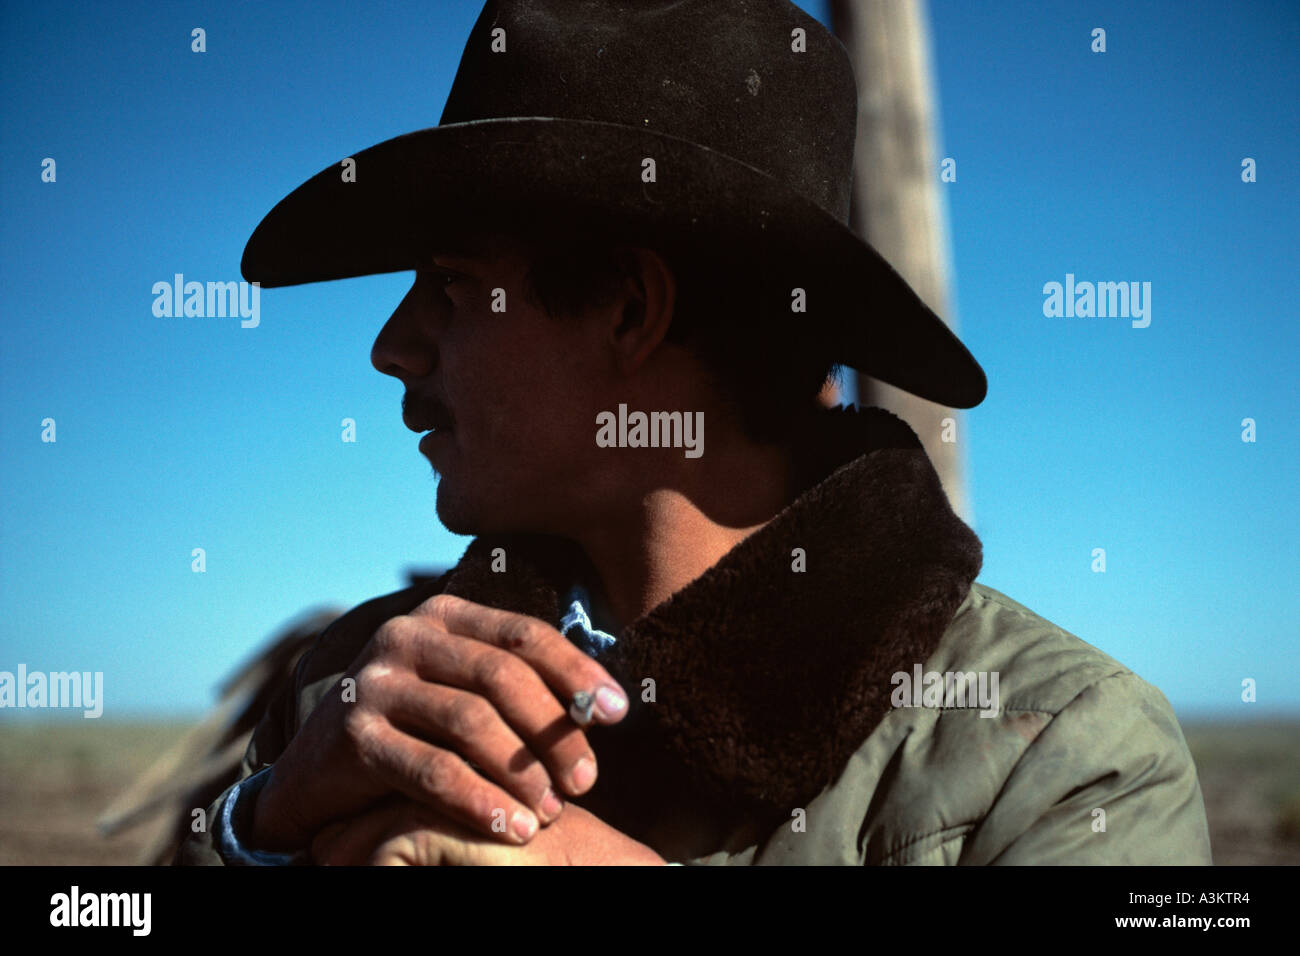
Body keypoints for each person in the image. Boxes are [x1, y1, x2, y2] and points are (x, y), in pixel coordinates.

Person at [176, 0, 1212, 865]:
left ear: (630, 309)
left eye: (453, 284)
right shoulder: (351, 691)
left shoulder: (1069, 755)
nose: (392, 345)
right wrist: (258, 826)